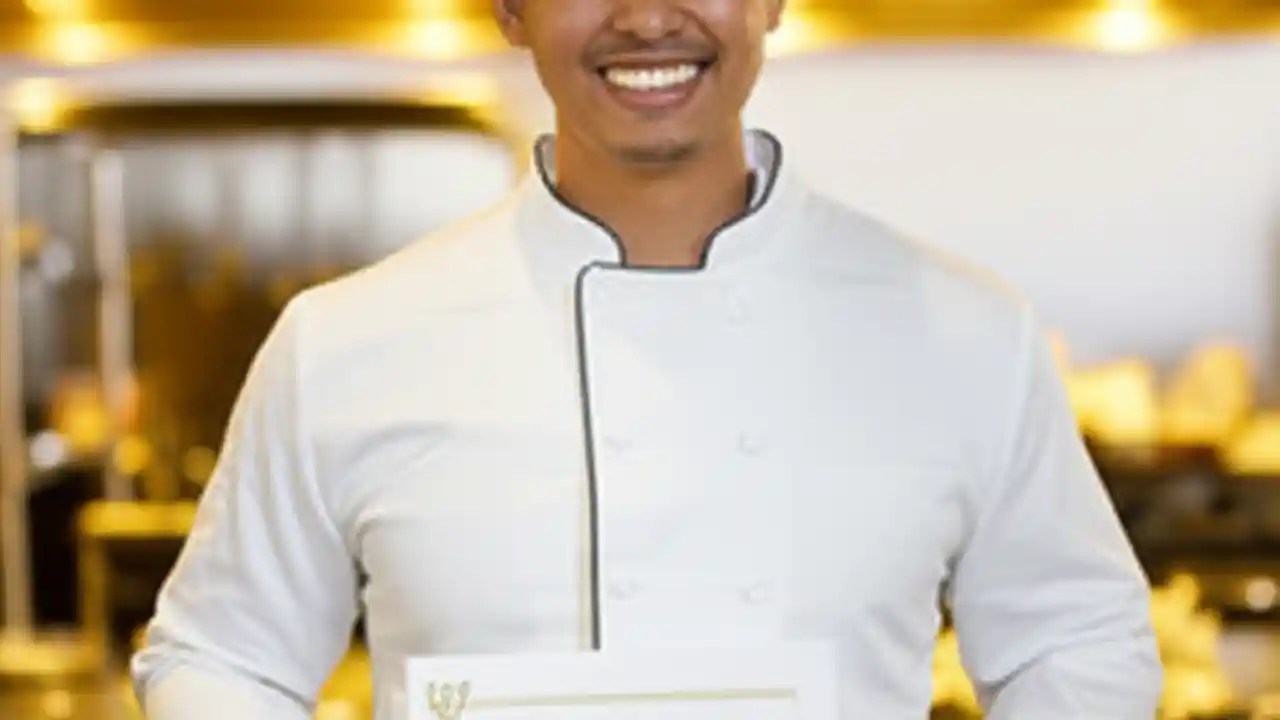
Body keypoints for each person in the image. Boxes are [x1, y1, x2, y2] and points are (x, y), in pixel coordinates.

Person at [132, 0, 1163, 718]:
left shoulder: (966, 334)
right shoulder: (342, 345)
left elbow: (1073, 643)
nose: (645, 16)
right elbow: (223, 658)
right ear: (508, 7)